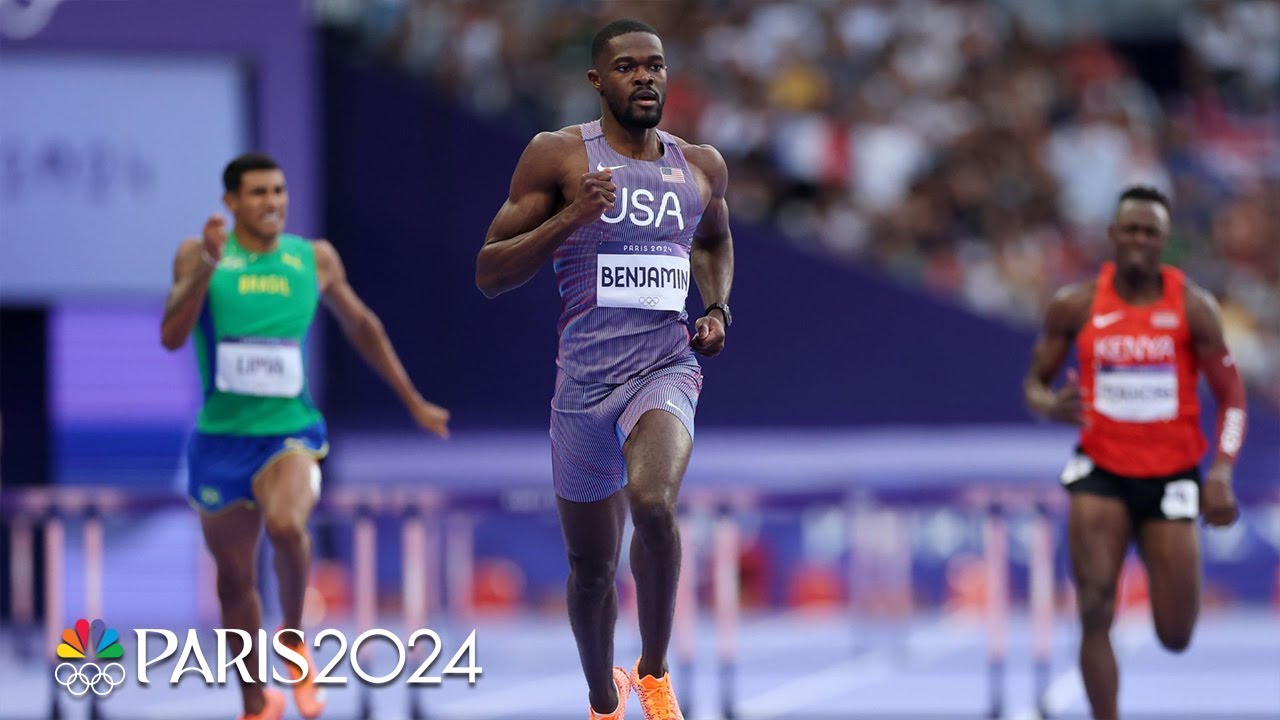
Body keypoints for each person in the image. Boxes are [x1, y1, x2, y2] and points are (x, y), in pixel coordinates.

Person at [476, 18, 733, 720]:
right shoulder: (557, 157)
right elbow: (489, 272)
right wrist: (570, 217)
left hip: (665, 368)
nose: (645, 77)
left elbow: (715, 240)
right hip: (583, 390)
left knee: (654, 505)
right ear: (598, 80)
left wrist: (717, 309)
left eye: (655, 65)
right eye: (627, 67)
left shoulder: (701, 165)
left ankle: (652, 674)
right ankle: (602, 697)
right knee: (590, 572)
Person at [160, 153, 450, 720]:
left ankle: (293, 638)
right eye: (258, 193)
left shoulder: (311, 258)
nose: (272, 202)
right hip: (220, 441)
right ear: (231, 202)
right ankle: (253, 700)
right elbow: (172, 336)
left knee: (289, 525)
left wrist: (412, 399)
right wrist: (204, 269)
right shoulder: (199, 254)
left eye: (279, 191)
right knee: (234, 581)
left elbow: (363, 326)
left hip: (289, 433)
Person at [1024, 186, 1247, 720]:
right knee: (1094, 607)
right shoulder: (1074, 305)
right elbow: (1034, 383)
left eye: (1151, 232)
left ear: (1165, 241)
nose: (1140, 240)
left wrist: (1220, 472)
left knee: (1175, 633)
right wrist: (1049, 405)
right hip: (1100, 473)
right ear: (1113, 235)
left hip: (1172, 478)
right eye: (1131, 229)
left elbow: (1233, 398)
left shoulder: (1194, 308)